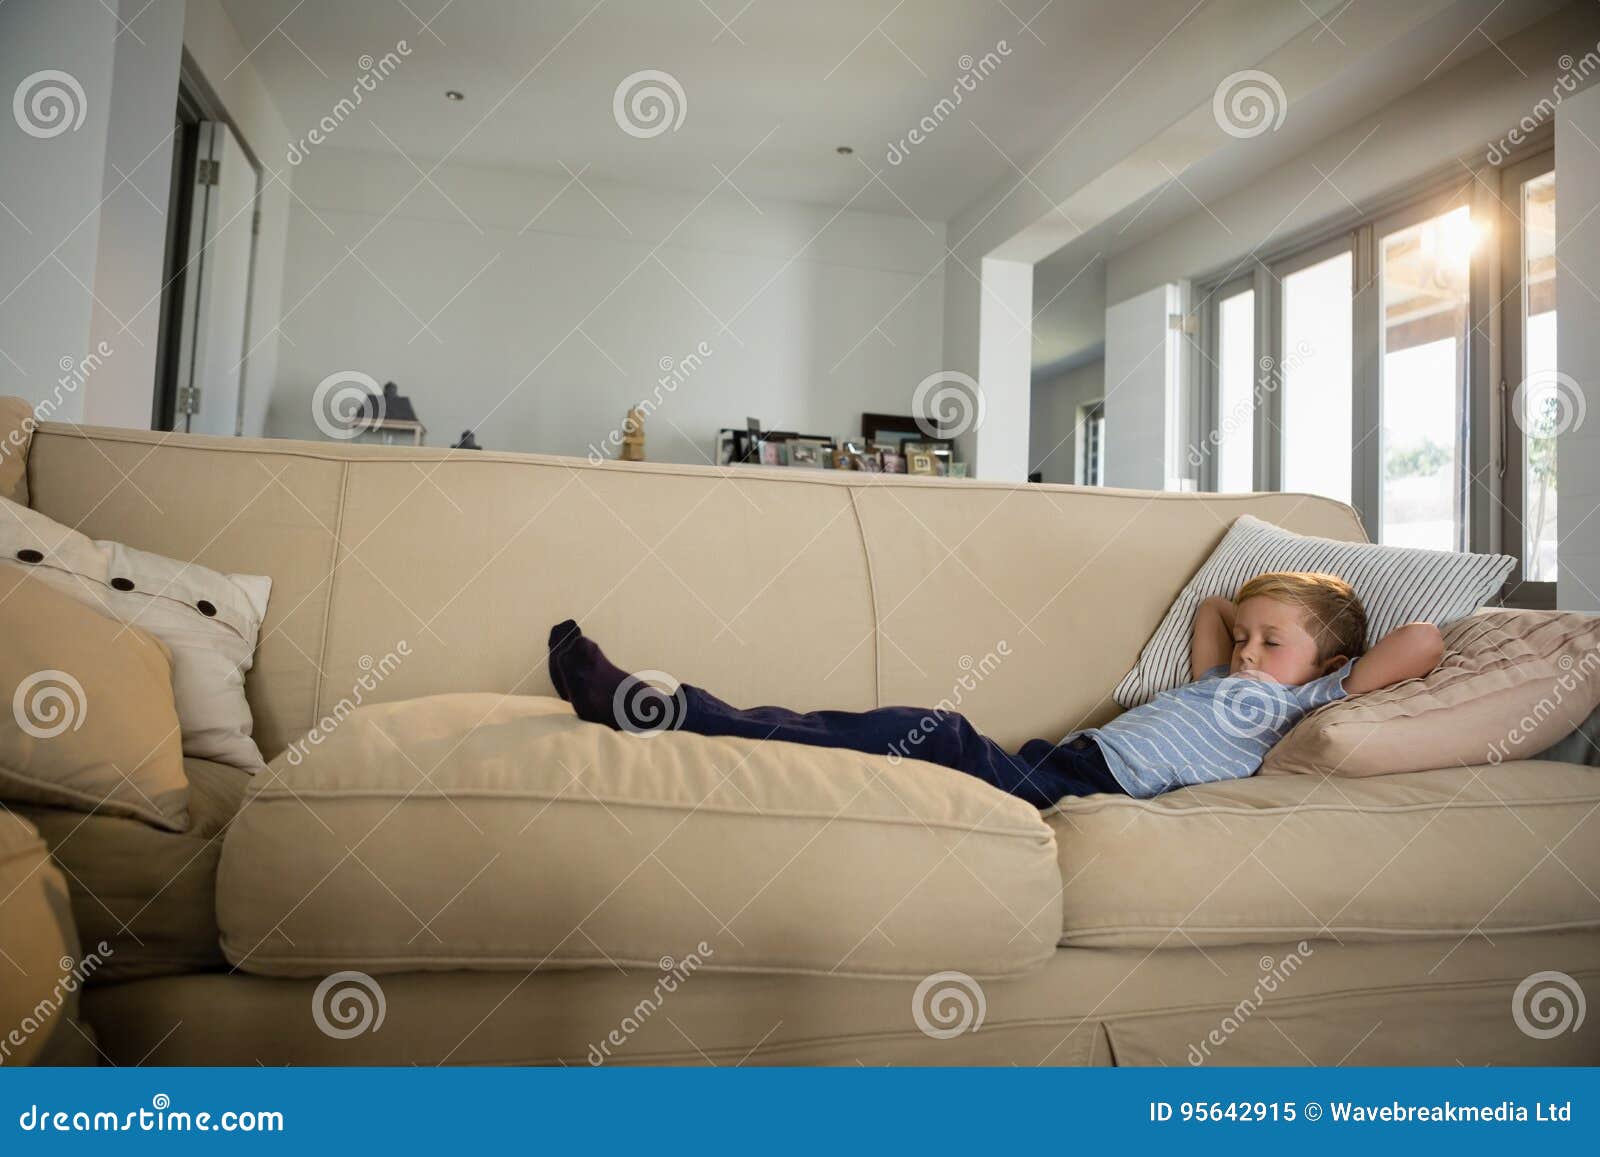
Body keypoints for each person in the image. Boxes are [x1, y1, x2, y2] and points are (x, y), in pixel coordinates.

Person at [545, 571, 1445, 809]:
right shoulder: (1232, 675)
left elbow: (1425, 639)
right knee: (893, 746)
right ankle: (686, 715)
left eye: (1271, 642)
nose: (1246, 650)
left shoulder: (1306, 701)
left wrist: (1332, 661)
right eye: (1246, 638)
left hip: (1090, 789)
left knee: (931, 733)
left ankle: (676, 710)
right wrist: (1260, 624)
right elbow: (1216, 606)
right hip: (1061, 762)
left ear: (1328, 663)